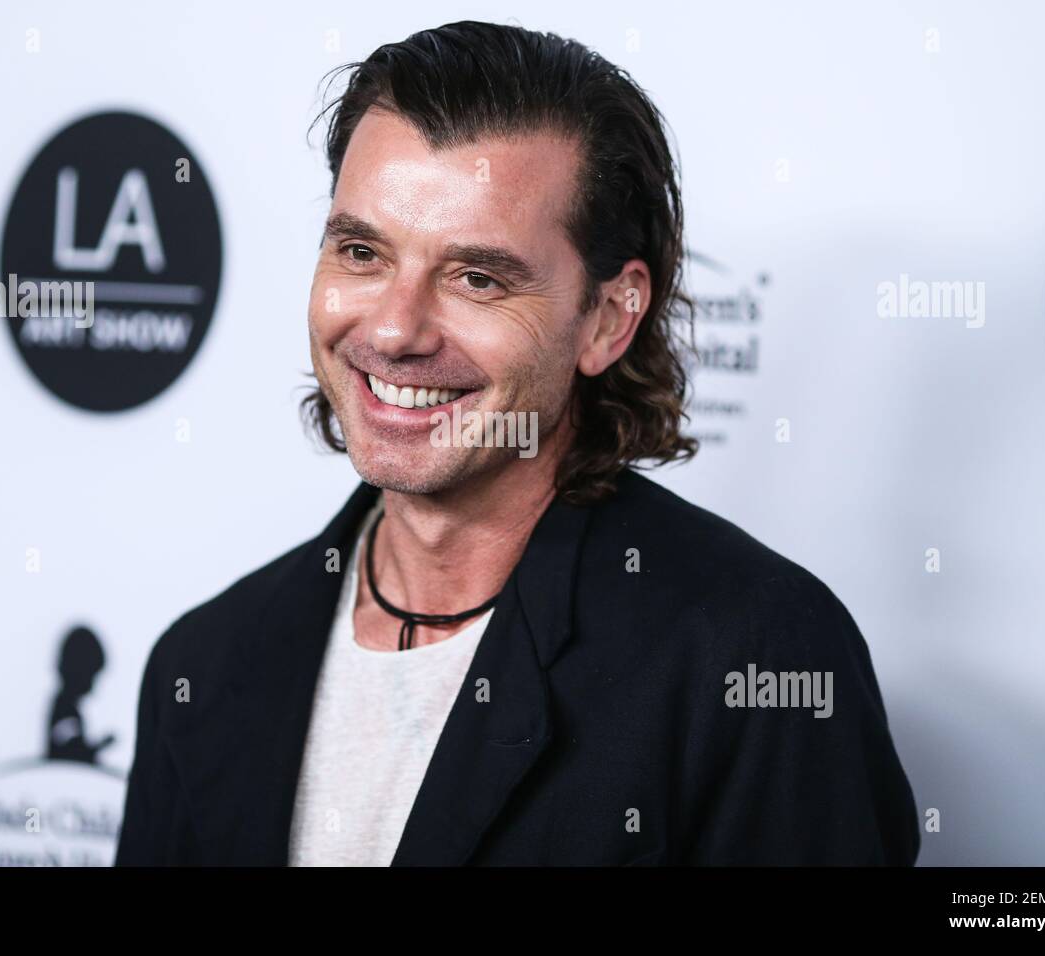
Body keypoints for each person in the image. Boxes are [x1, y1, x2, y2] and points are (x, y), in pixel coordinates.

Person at [115, 20, 920, 866]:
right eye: (361, 251)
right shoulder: (204, 663)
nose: (393, 329)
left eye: (477, 278)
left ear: (608, 318)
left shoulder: (757, 661)